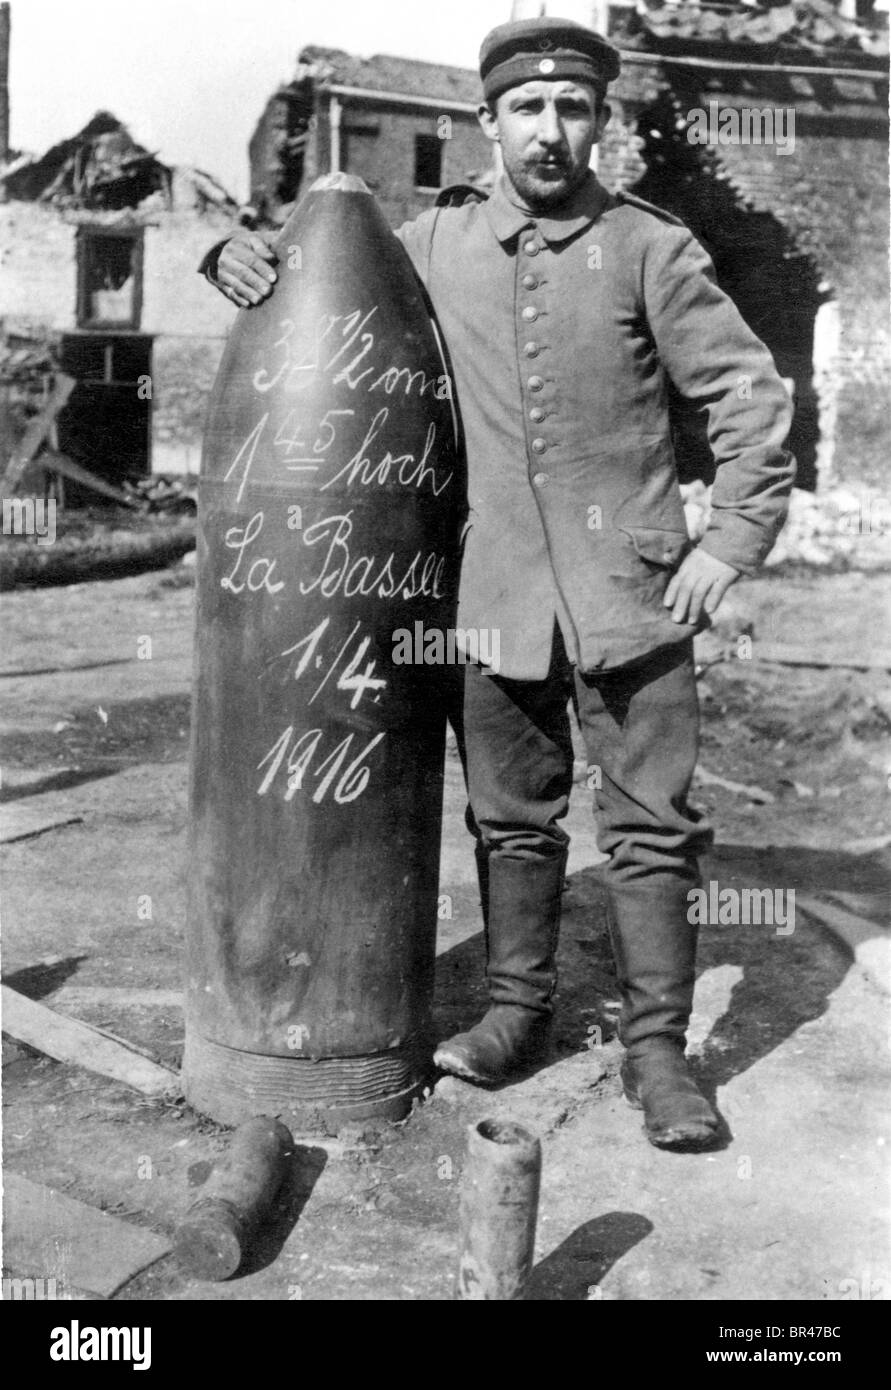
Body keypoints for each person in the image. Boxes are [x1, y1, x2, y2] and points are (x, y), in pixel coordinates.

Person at [202, 17, 795, 1151]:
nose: (551, 130)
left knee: (653, 827)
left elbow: (749, 397)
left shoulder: (648, 248)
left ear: (600, 124)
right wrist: (229, 255)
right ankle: (519, 1012)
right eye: (528, 108)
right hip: (494, 592)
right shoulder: (432, 245)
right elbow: (311, 279)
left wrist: (732, 542)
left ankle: (660, 1055)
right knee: (511, 821)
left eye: (574, 109)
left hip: (638, 598)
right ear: (488, 123)